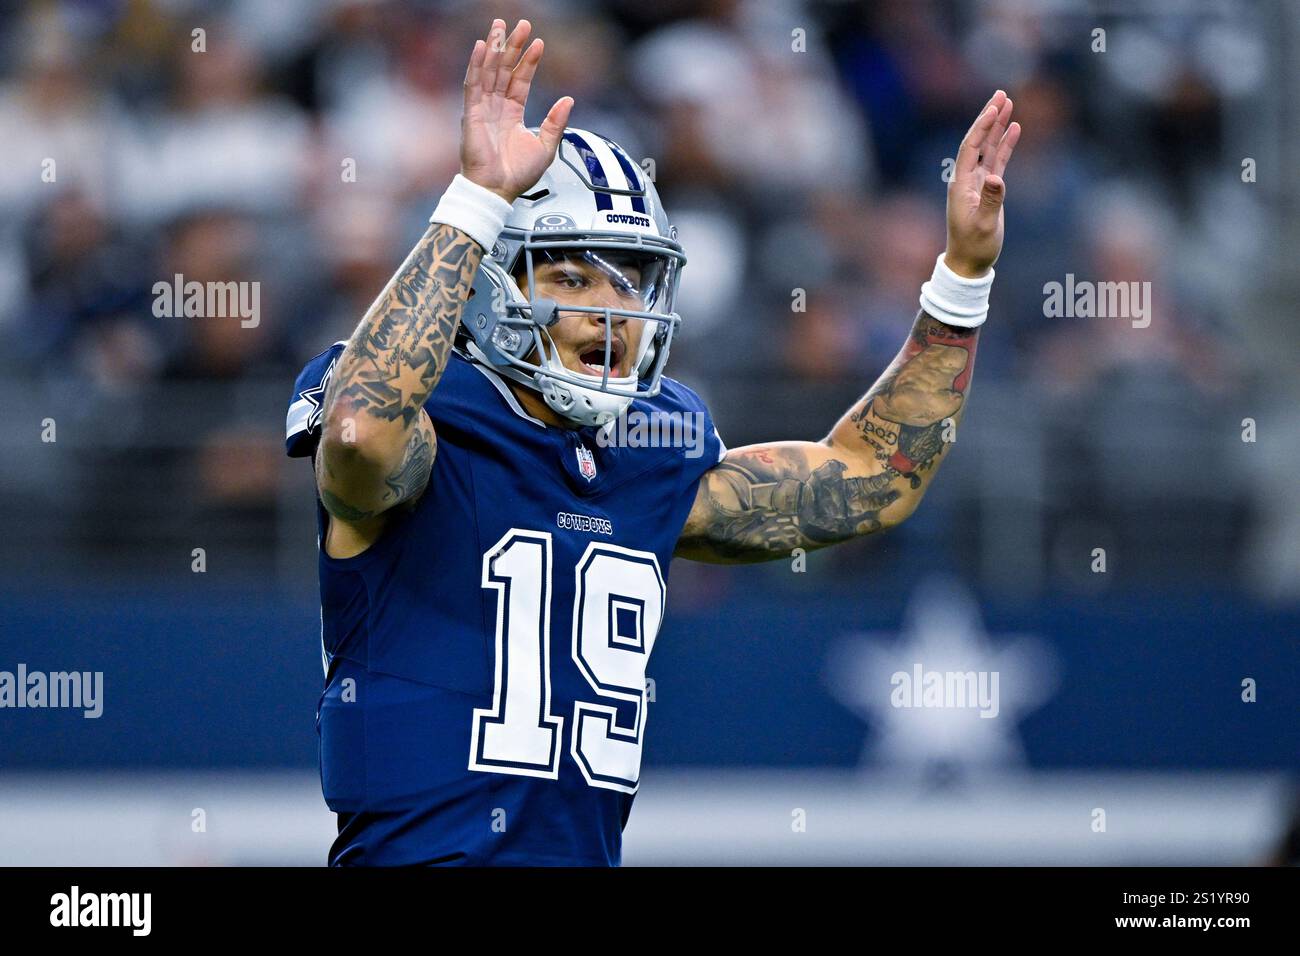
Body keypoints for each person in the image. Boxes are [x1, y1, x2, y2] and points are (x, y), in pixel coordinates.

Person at [284, 17, 1020, 865]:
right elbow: (359, 428)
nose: (612, 309)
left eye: (631, 280)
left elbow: (872, 478)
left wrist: (962, 278)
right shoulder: (423, 415)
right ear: (491, 287)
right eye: (571, 274)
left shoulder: (650, 447)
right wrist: (475, 200)